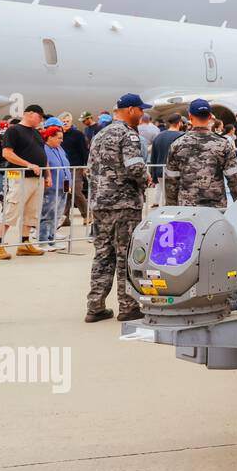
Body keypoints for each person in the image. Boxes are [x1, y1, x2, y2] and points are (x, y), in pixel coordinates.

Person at [86, 93, 151, 323]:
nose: (142, 114)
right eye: (140, 110)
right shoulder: (128, 135)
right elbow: (135, 168)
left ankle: (95, 306)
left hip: (100, 204)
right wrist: (146, 179)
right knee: (126, 255)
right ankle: (128, 306)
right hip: (124, 205)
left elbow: (90, 169)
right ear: (131, 110)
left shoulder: (99, 134)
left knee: (102, 255)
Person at [164, 99, 237, 209]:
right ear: (210, 116)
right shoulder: (223, 144)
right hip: (216, 208)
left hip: (187, 208)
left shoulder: (177, 144)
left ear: (190, 116)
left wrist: (171, 209)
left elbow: (171, 181)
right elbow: (235, 179)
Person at [0, 104, 50, 259]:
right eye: (39, 117)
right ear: (30, 114)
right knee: (11, 209)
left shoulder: (36, 133)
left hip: (37, 178)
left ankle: (24, 243)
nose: (40, 120)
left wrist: (48, 175)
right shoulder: (14, 130)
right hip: (19, 177)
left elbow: (43, 155)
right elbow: (7, 153)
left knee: (31, 212)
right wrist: (28, 164)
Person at [38, 126, 72, 251]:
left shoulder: (60, 149)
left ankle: (52, 240)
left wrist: (69, 185)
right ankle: (43, 241)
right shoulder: (44, 149)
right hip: (52, 187)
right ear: (50, 137)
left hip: (64, 185)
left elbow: (66, 165)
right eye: (59, 138)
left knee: (57, 214)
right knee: (48, 214)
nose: (61, 140)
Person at [57, 111, 89, 226]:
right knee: (67, 192)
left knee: (76, 190)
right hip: (64, 169)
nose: (65, 123)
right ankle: (65, 218)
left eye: (67, 121)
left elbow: (84, 151)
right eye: (63, 121)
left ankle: (87, 214)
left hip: (76, 168)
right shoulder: (58, 135)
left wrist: (85, 166)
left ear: (71, 122)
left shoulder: (77, 134)